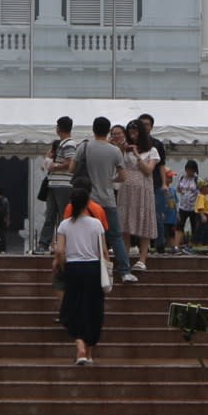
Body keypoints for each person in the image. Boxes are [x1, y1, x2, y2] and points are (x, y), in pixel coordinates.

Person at [51, 180, 108, 365]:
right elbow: (104, 251)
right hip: (93, 268)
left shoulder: (64, 225)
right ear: (86, 203)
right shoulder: (96, 224)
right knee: (93, 309)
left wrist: (60, 265)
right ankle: (89, 353)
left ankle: (80, 347)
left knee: (73, 308)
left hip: (73, 268)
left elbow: (60, 251)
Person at [78, 117, 135, 284]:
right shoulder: (115, 151)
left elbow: (73, 169)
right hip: (108, 199)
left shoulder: (84, 146)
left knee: (87, 235)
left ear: (93, 129)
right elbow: (123, 176)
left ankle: (88, 269)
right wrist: (110, 180)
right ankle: (124, 271)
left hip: (87, 200)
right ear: (108, 130)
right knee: (116, 236)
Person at [31, 116, 79, 256]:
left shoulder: (69, 144)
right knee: (50, 216)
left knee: (63, 216)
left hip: (63, 185)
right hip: (54, 184)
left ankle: (64, 245)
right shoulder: (63, 144)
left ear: (59, 128)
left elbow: (70, 163)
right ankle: (44, 244)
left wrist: (55, 166)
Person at [115, 123, 154, 270]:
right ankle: (124, 258)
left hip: (144, 190)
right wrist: (121, 149)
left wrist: (137, 155)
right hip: (126, 189)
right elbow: (118, 167)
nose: (133, 135)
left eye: (136, 132)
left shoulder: (152, 150)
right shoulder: (124, 151)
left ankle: (142, 259)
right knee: (125, 224)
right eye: (130, 133)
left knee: (144, 223)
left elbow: (148, 170)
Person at [173, 161, 203, 255]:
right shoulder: (182, 178)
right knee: (179, 226)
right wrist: (181, 191)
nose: (189, 172)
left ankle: (190, 246)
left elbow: (202, 192)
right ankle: (176, 246)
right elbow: (178, 188)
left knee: (195, 227)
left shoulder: (197, 180)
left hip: (194, 207)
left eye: (191, 170)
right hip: (183, 207)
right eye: (188, 170)